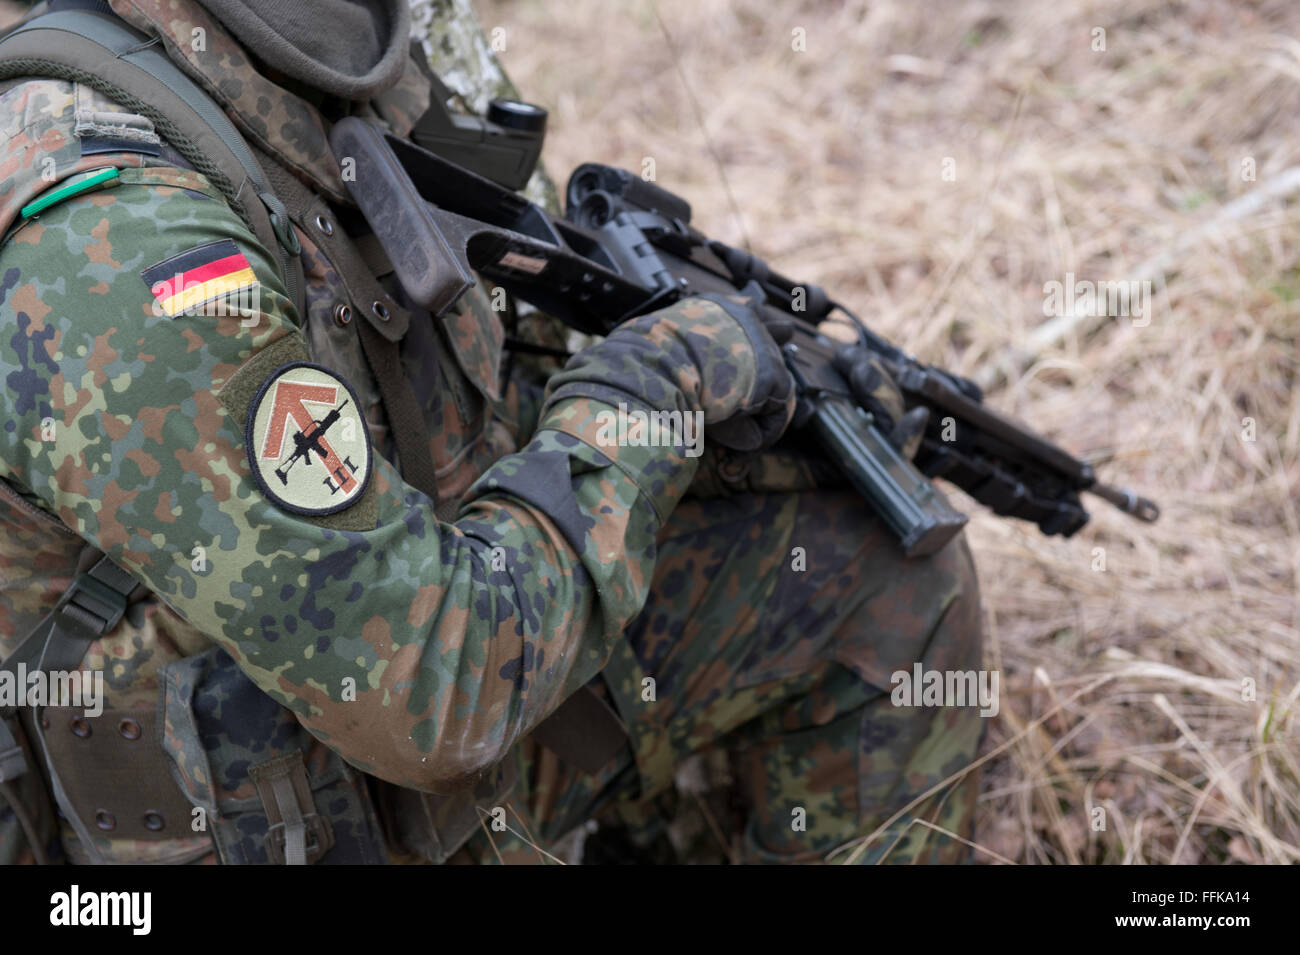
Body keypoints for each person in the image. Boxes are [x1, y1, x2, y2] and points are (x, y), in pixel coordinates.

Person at [0, 0, 984, 865]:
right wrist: (654, 387)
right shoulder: (117, 240)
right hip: (298, 791)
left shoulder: (318, 49)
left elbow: (486, 365)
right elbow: (433, 694)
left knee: (873, 572)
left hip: (387, 729)